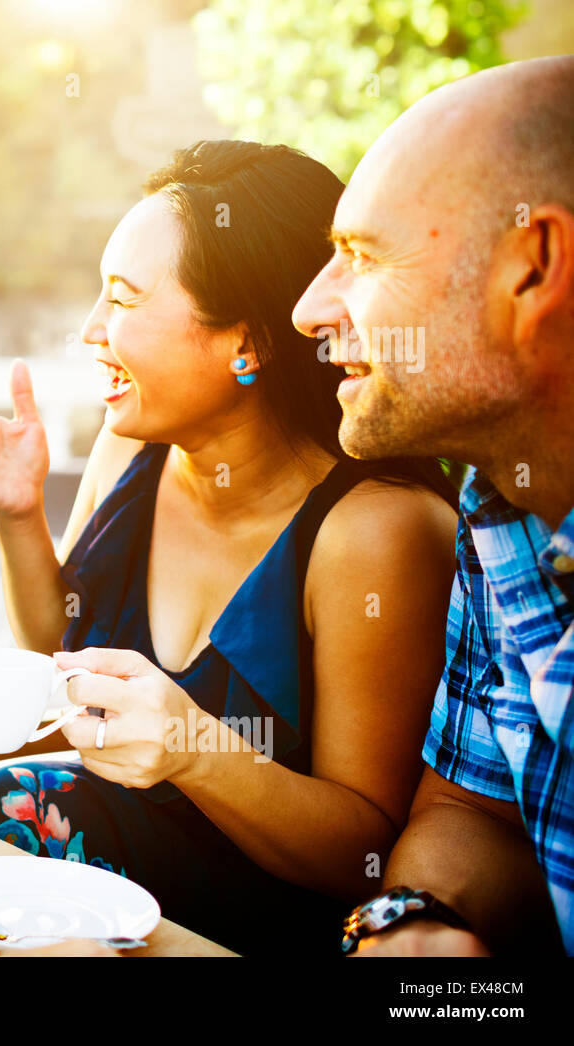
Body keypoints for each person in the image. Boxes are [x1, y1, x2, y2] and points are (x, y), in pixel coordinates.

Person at [0, 140, 460, 956]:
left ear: (249, 344)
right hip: (121, 885)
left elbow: (367, 856)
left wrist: (195, 753)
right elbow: (63, 650)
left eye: (122, 300)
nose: (90, 330)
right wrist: (17, 516)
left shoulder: (374, 531)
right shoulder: (132, 447)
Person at [293, 56, 574, 957]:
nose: (308, 310)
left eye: (363, 257)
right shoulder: (499, 511)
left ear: (532, 267)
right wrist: (412, 926)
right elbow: (475, 812)